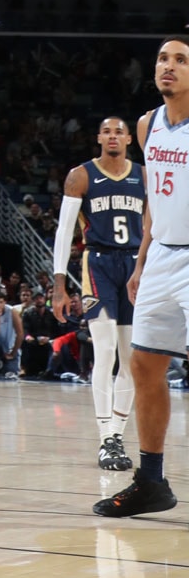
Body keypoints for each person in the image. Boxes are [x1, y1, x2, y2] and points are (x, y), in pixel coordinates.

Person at [95, 39, 189, 520]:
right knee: (144, 365)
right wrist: (141, 260)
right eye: (163, 59)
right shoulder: (149, 124)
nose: (168, 67)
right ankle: (151, 482)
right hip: (162, 258)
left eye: (180, 61)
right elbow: (155, 198)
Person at [54, 115, 145, 470]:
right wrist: (59, 285)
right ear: (98, 138)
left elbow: (155, 225)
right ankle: (105, 437)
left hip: (135, 267)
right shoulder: (81, 176)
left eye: (118, 132)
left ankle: (118, 435)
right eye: (106, 131)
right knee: (105, 352)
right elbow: (64, 233)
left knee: (132, 359)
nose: (112, 136)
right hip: (98, 266)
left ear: (128, 140)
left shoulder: (146, 175)